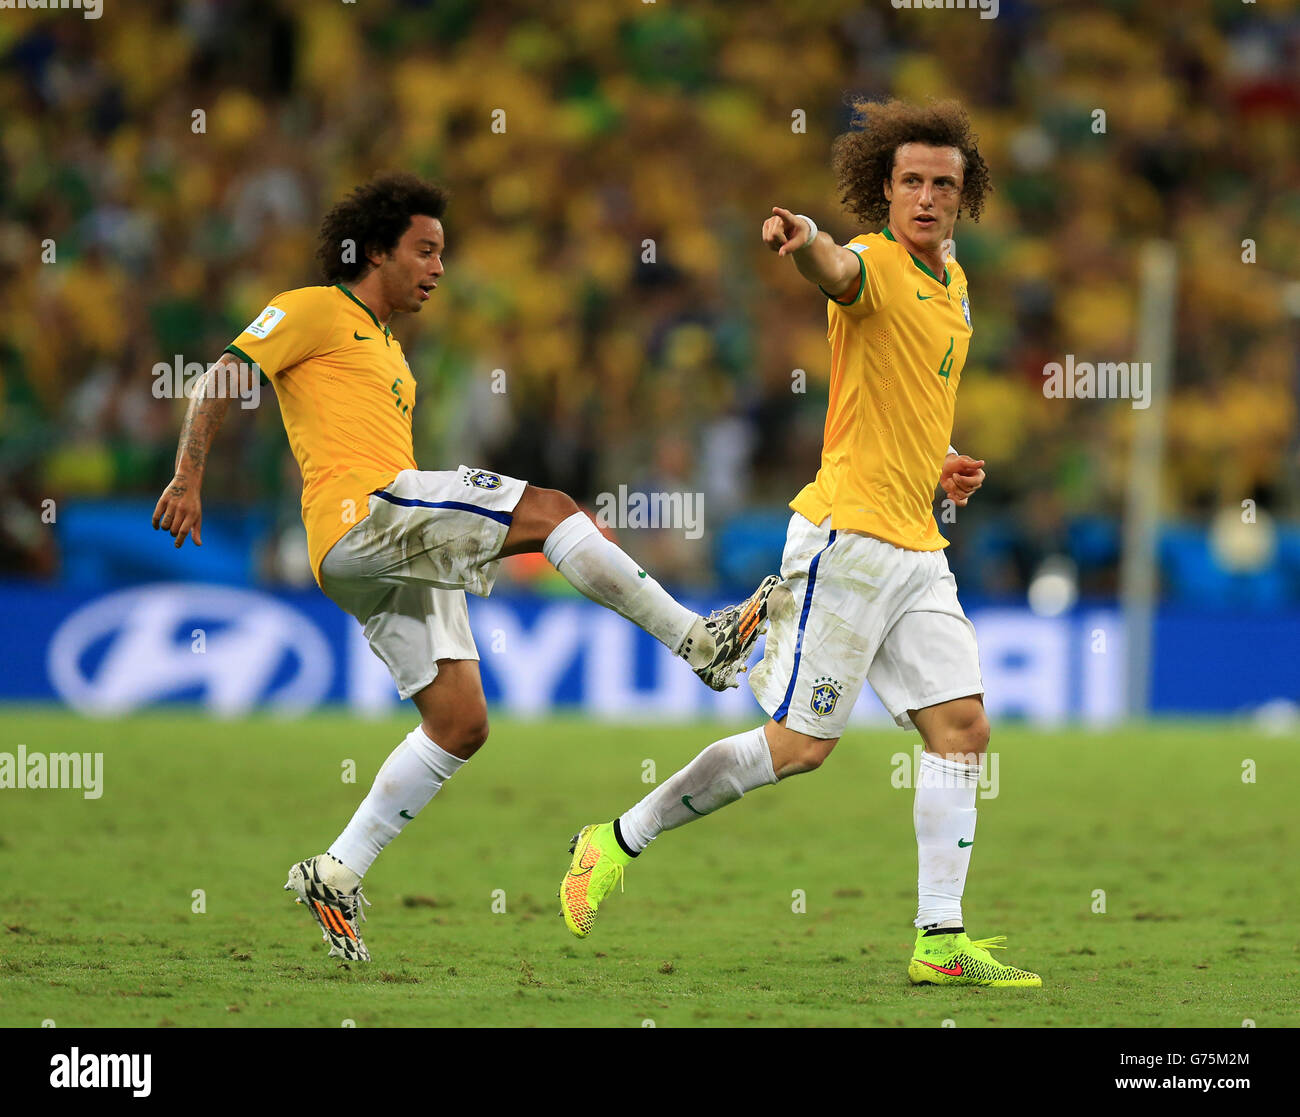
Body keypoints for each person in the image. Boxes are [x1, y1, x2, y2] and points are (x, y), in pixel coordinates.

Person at [152, 173, 777, 962]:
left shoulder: (390, 352)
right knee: (552, 509)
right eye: (425, 250)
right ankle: (700, 640)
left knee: (460, 722)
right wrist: (188, 472)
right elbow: (224, 375)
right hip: (366, 512)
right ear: (375, 251)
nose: (438, 268)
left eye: (442, 253)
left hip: (378, 553)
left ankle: (338, 869)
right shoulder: (313, 307)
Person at [558, 100, 1041, 988]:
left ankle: (939, 940)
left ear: (963, 195)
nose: (927, 198)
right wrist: (807, 234)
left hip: (916, 544)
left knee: (963, 726)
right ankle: (617, 837)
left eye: (944, 183)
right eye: (911, 183)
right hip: (846, 541)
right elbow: (836, 270)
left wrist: (936, 461)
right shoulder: (874, 264)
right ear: (884, 190)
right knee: (798, 749)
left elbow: (899, 396)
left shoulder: (954, 281)